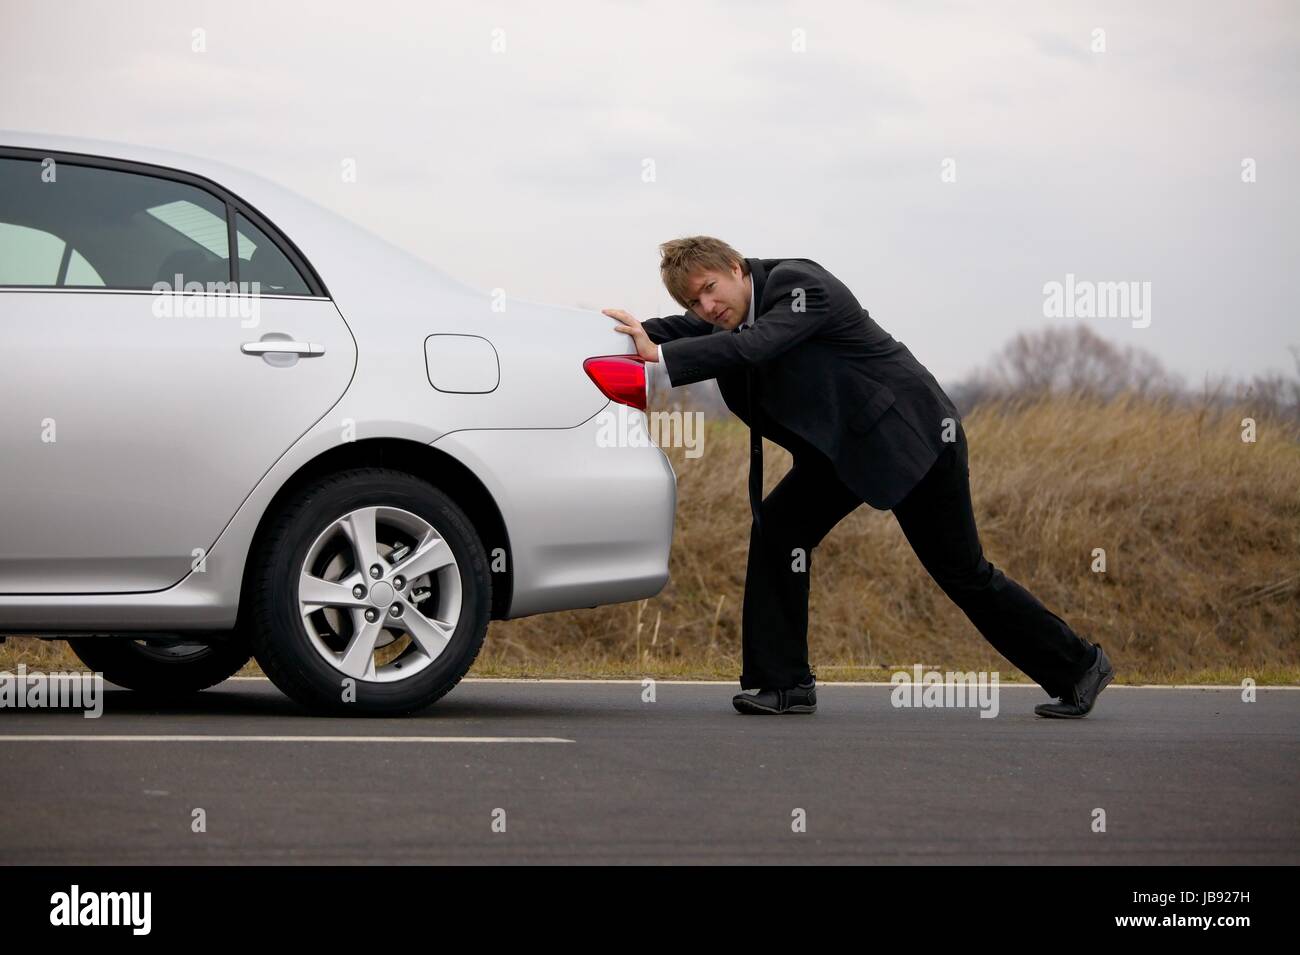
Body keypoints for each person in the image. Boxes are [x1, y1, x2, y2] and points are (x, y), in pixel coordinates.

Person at [602, 236, 1114, 718]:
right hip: (843, 454)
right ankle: (785, 684)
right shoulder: (728, 317)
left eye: (710, 288)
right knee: (780, 529)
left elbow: (754, 346)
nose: (707, 308)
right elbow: (677, 332)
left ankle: (1080, 667)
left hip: (913, 440)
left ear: (736, 268)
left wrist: (662, 359)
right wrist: (601, 336)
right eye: (695, 302)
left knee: (962, 572)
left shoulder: (801, 288)